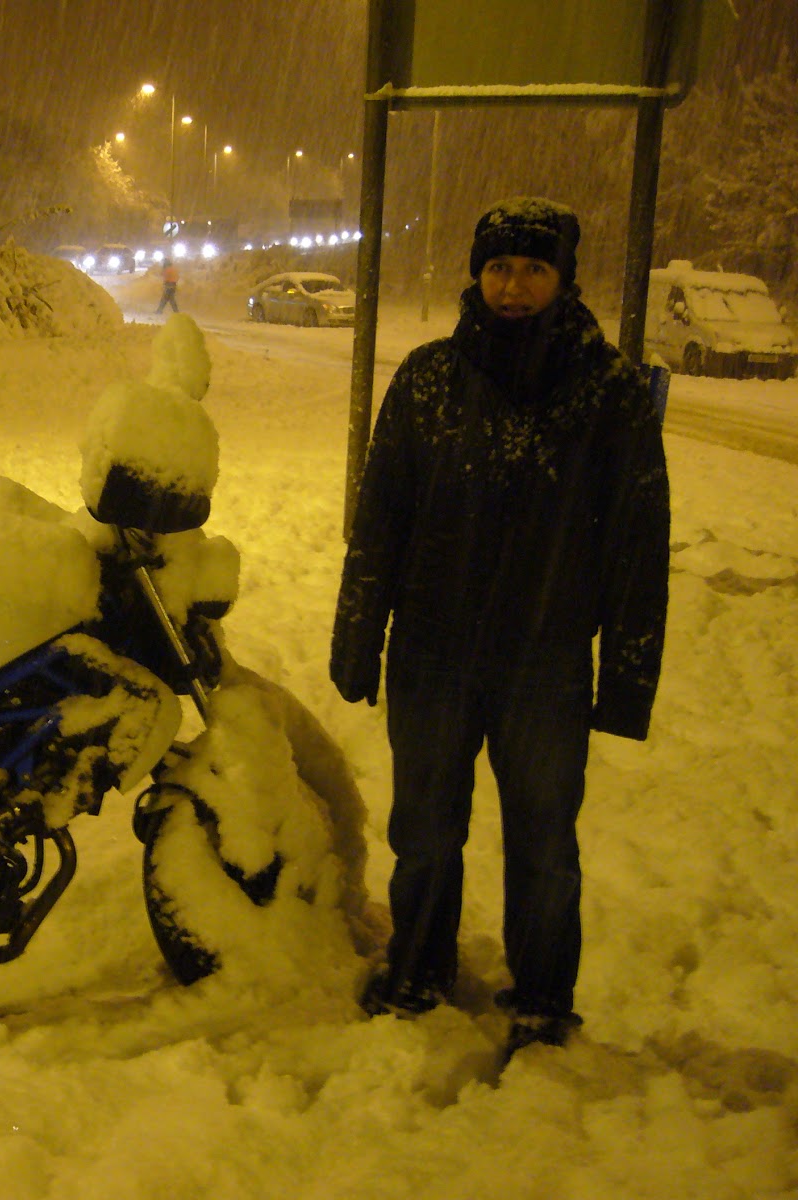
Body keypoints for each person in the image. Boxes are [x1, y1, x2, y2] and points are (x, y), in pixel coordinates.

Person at [329, 197, 670, 1055]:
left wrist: (628, 680)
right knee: (426, 833)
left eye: (533, 269)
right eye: (499, 268)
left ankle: (544, 997)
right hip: (432, 655)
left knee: (545, 844)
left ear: (564, 279)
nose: (514, 287)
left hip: (545, 665)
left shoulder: (610, 393)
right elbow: (382, 519)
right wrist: (358, 637)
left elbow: (637, 542)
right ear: (477, 275)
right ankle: (417, 969)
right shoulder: (428, 380)